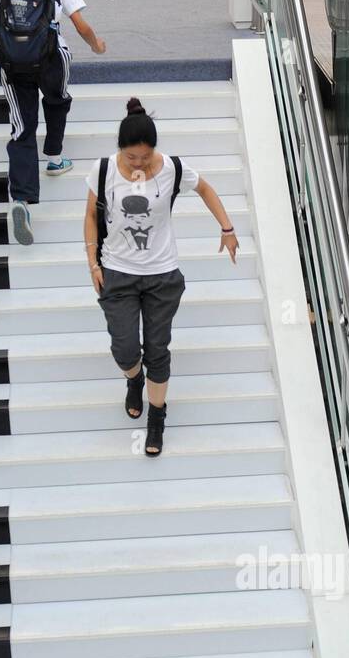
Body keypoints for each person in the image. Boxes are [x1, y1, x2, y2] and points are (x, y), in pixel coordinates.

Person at [84, 99, 239, 456]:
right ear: (119, 150)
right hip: (118, 272)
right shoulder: (104, 169)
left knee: (158, 349)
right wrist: (93, 262)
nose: (138, 164)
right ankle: (133, 378)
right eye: (131, 158)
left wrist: (227, 228)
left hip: (162, 275)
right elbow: (91, 215)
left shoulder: (172, 168)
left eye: (145, 158)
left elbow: (205, 189)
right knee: (124, 349)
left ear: (155, 149)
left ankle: (157, 415)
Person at [0, 0, 106, 246]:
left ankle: (21, 200)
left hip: (12, 60)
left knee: (22, 128)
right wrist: (96, 45)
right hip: (50, 57)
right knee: (58, 99)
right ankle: (55, 158)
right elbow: (80, 23)